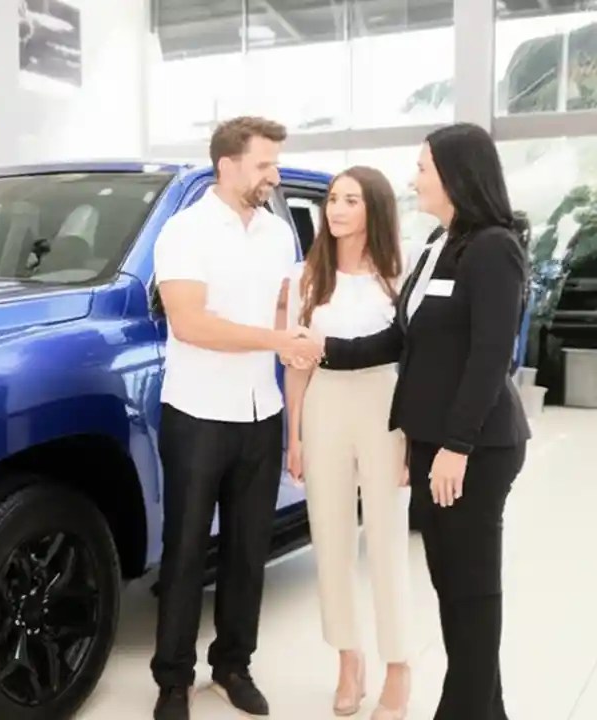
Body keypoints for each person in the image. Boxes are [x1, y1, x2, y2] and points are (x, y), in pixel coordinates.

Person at [292, 122, 532, 720]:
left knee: (471, 592)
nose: (413, 178)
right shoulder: (436, 246)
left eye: (422, 168)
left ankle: (463, 710)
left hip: (472, 447)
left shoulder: (494, 247)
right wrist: (329, 351)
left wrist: (456, 445)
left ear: (455, 175)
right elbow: (403, 338)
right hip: (433, 444)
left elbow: (490, 355)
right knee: (453, 592)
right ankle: (486, 709)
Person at [151, 115, 322, 720]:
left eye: (274, 165)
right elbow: (189, 324)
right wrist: (277, 339)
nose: (273, 176)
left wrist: (301, 331)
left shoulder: (278, 234)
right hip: (197, 413)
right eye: (263, 165)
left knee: (250, 550)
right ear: (227, 165)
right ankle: (173, 680)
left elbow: (286, 305)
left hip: (261, 412)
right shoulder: (184, 231)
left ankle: (233, 666)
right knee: (186, 550)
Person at [283, 166, 413, 719]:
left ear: (374, 209)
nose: (336, 209)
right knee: (330, 538)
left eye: (350, 200)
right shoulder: (307, 277)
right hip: (325, 404)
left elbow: (415, 358)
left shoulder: (400, 275)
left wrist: (414, 434)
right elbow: (296, 363)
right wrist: (295, 434)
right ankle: (348, 659)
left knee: (386, 541)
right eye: (333, 199)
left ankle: (399, 666)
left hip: (386, 405)